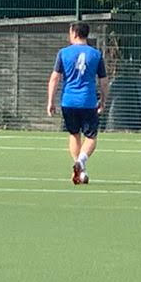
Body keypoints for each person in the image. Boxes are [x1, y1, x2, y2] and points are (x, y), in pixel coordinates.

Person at [46, 21, 109, 184]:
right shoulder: (96, 54)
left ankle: (80, 170)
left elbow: (54, 78)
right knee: (91, 137)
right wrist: (103, 100)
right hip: (88, 101)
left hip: (68, 101)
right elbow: (103, 81)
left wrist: (50, 101)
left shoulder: (63, 53)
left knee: (74, 134)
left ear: (74, 33)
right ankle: (81, 162)